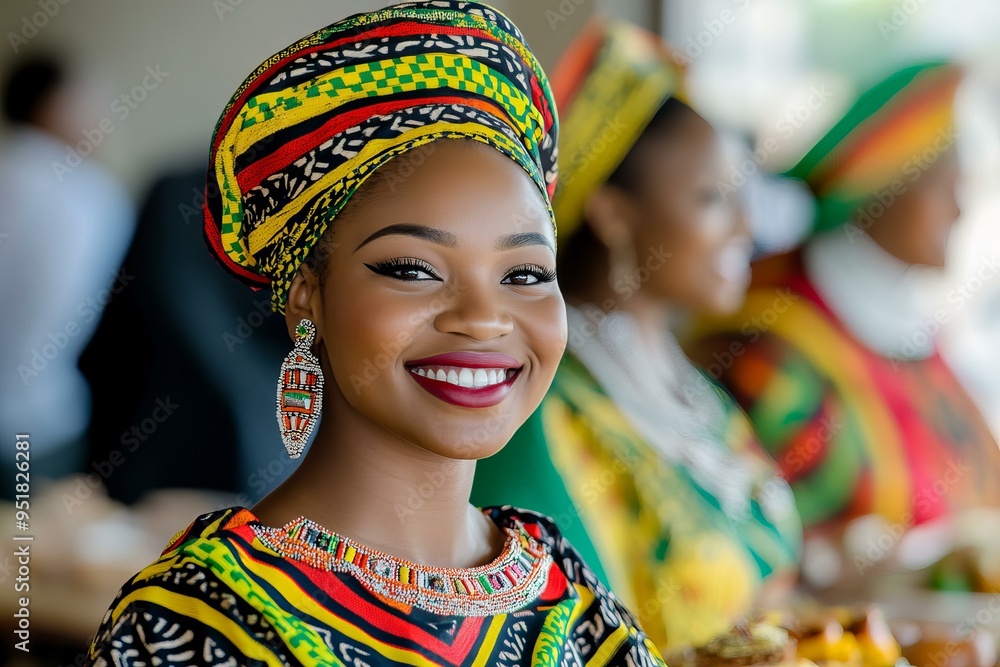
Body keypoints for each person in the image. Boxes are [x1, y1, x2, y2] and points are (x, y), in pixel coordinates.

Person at [87, 4, 666, 665]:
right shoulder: (196, 621)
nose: (483, 317)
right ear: (307, 296)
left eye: (526, 271)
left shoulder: (572, 597)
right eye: (413, 269)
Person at [472, 19, 801, 651]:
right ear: (615, 213)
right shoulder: (539, 412)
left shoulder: (695, 397)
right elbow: (558, 640)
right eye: (713, 199)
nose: (746, 228)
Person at [687, 62, 1000, 544]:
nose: (959, 210)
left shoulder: (919, 341)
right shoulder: (764, 349)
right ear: (880, 186)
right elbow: (772, 548)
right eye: (942, 186)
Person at [0, 55, 135, 487]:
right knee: (30, 550)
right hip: (42, 424)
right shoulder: (92, 194)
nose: (103, 116)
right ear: (52, 105)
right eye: (90, 101)